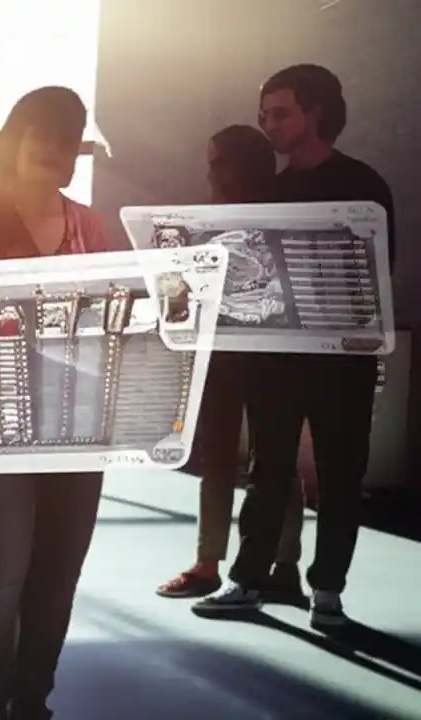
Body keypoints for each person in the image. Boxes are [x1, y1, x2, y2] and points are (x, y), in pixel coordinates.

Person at [0, 87, 110, 720]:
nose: (54, 148)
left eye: (68, 138)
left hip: (78, 428)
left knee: (58, 577)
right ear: (15, 138)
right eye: (42, 132)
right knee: (3, 575)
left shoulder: (91, 226)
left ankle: (32, 701)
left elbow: (119, 321)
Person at [194, 64, 394, 629]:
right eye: (264, 116)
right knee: (266, 470)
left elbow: (379, 272)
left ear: (317, 113)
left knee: (340, 475)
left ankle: (327, 590)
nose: (270, 125)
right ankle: (247, 580)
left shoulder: (364, 185)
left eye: (281, 112)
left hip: (343, 363)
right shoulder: (269, 192)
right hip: (277, 359)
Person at [155, 126, 306, 601]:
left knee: (275, 461)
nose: (211, 171)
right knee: (218, 456)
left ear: (244, 164)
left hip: (273, 353)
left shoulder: (281, 214)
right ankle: (209, 563)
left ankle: (284, 565)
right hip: (220, 351)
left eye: (219, 161)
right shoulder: (208, 218)